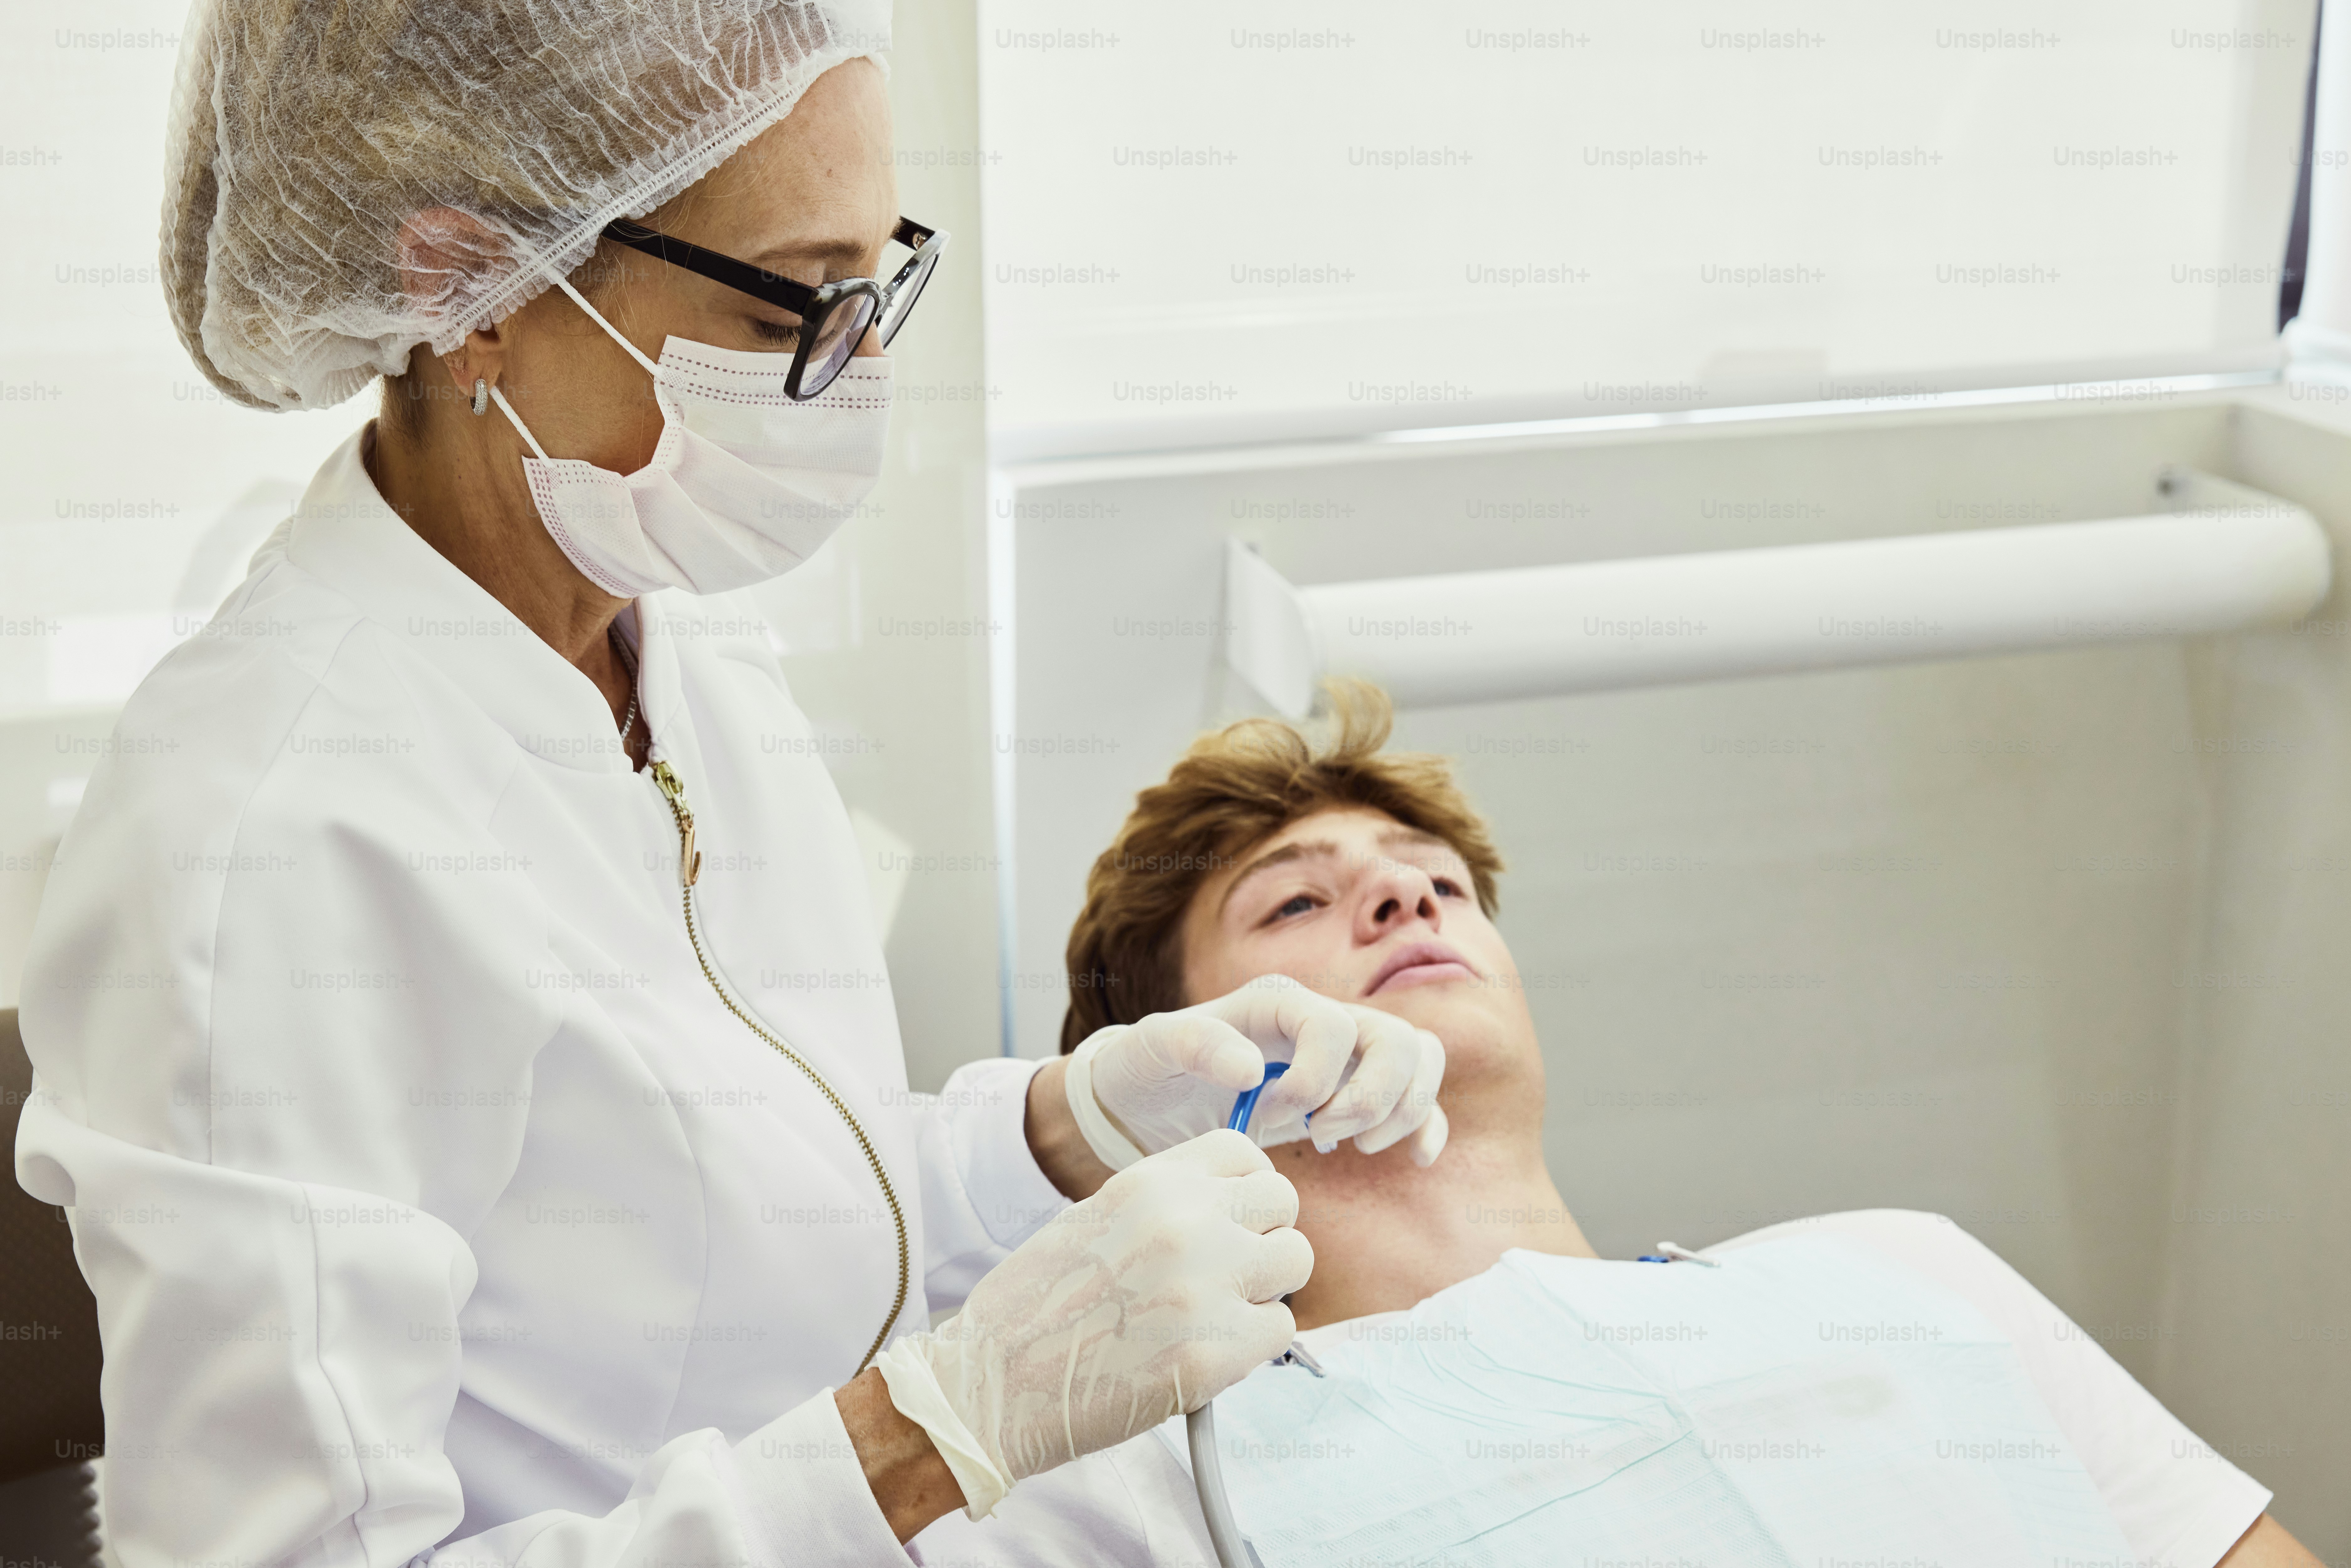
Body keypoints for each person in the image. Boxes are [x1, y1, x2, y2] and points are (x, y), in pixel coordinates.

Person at [10, 4, 1448, 1564]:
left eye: (876, 279)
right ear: (465, 288)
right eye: (793, 310)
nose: (862, 375)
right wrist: (935, 1432)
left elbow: (754, 1217)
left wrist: (1065, 1128)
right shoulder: (263, 846)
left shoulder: (670, 634)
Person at [910, 680, 2320, 1567]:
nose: (1409, 899)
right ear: (1163, 1074)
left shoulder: (1903, 1273)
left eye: (1436, 881)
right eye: (1297, 899)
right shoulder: (1115, 1482)